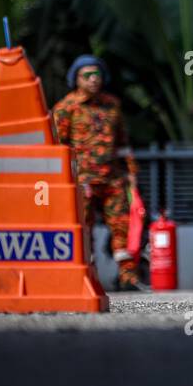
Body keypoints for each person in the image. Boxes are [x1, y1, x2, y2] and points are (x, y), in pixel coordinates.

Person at [52, 54, 145, 291]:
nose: (93, 79)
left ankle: (127, 277)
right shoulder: (66, 108)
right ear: (76, 79)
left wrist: (131, 172)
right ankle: (85, 277)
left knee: (122, 226)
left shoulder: (112, 105)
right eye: (87, 75)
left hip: (112, 178)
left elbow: (123, 142)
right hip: (81, 179)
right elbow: (58, 146)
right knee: (82, 227)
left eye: (97, 74)